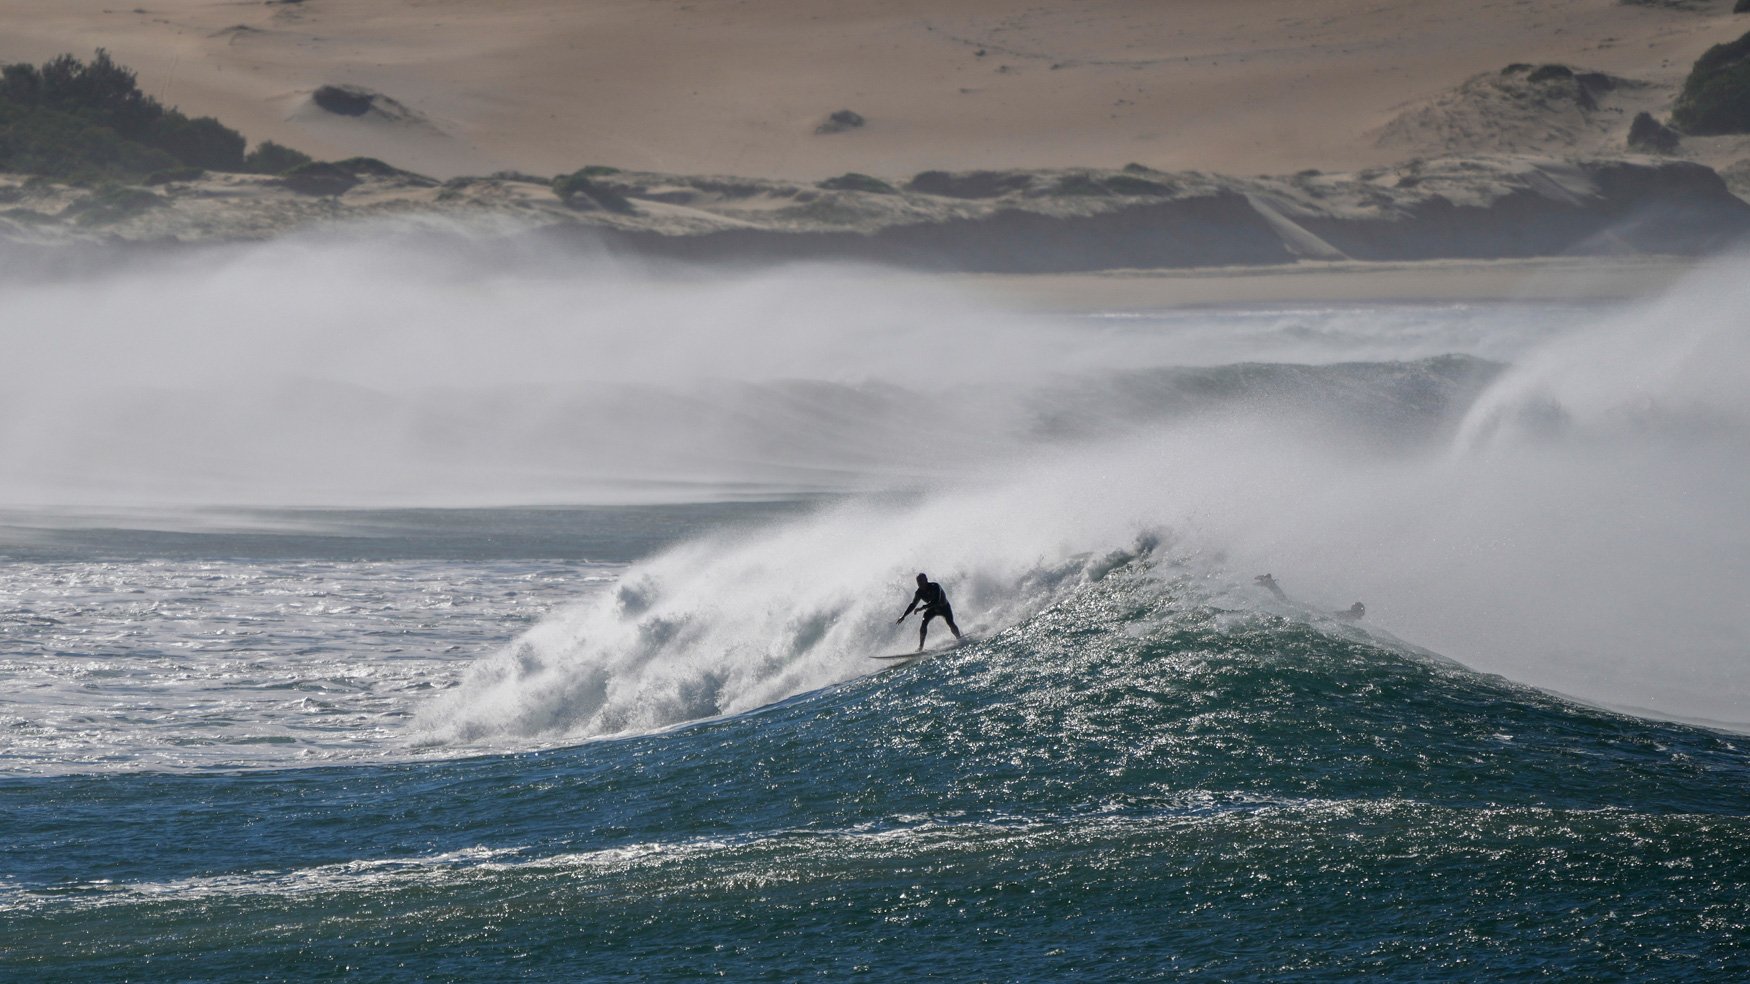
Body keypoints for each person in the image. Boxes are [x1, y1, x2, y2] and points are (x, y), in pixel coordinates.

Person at [897, 572, 962, 652]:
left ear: (926, 580)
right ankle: (920, 647)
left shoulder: (935, 586)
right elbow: (913, 604)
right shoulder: (919, 592)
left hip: (944, 608)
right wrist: (903, 616)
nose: (919, 583)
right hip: (932, 609)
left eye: (921, 581)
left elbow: (936, 601)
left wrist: (922, 608)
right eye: (918, 581)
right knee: (924, 623)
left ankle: (960, 639)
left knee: (950, 622)